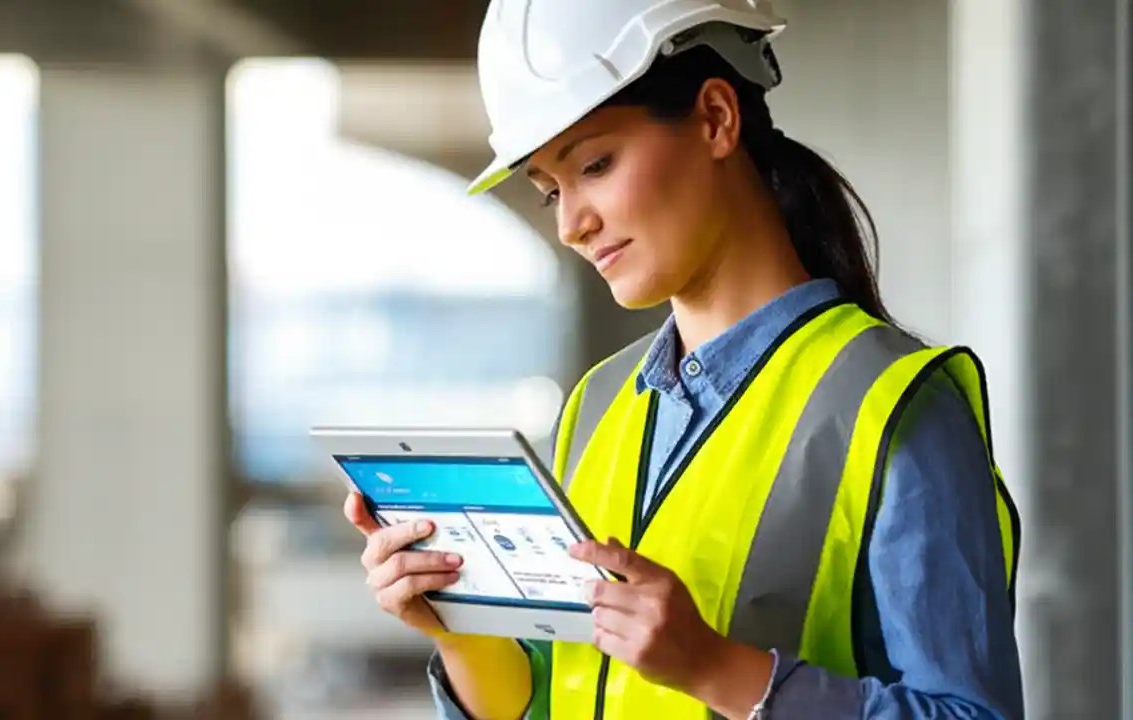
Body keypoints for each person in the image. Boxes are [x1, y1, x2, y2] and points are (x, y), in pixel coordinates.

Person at [343, 1, 1024, 718]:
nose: (573, 223)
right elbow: (551, 699)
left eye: (595, 165)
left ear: (715, 118)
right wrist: (457, 630)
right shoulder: (598, 405)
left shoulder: (888, 401)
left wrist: (719, 670)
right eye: (550, 193)